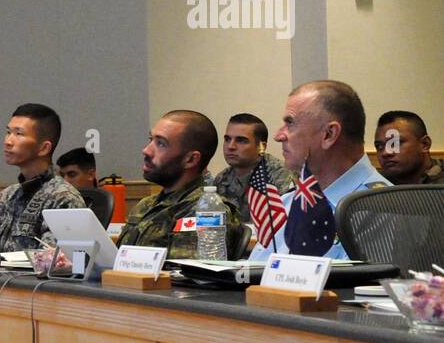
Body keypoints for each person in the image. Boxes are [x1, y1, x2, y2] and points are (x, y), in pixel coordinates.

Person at [249, 81, 388, 260]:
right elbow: (252, 275)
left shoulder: (382, 210)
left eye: (290, 123)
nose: (278, 135)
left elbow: (358, 286)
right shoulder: (286, 204)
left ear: (329, 135)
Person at [118, 110, 245, 259]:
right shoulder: (145, 205)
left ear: (190, 160)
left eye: (161, 144)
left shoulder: (207, 211)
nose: (146, 150)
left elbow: (183, 276)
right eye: (150, 139)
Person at [0, 103, 86, 251]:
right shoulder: (5, 197)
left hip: (29, 274)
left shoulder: (63, 199)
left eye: (19, 134)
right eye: (8, 132)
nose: (8, 141)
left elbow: (52, 263)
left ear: (44, 148)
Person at [213, 113, 295, 213]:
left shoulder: (280, 175)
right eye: (227, 139)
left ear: (262, 146)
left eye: (241, 141)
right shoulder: (222, 178)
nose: (231, 146)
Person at [374, 110, 444, 185]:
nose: (385, 153)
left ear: (425, 144)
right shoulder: (375, 184)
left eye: (395, 143)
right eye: (379, 146)